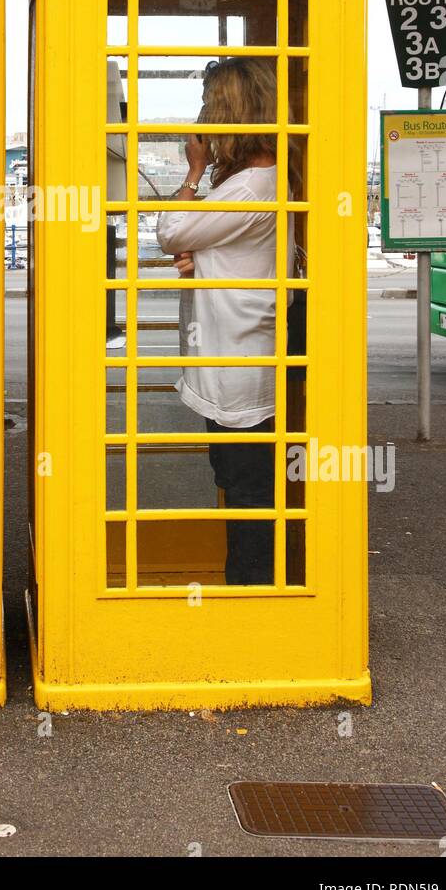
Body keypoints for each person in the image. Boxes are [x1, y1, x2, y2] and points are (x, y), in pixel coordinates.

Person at [155, 57, 294, 585]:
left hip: (238, 358)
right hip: (240, 349)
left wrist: (192, 172)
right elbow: (199, 242)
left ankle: (253, 595)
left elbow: (171, 232)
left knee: (247, 487)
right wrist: (201, 259)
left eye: (211, 109)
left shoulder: (249, 187)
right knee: (241, 480)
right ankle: (253, 589)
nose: (203, 123)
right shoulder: (262, 181)